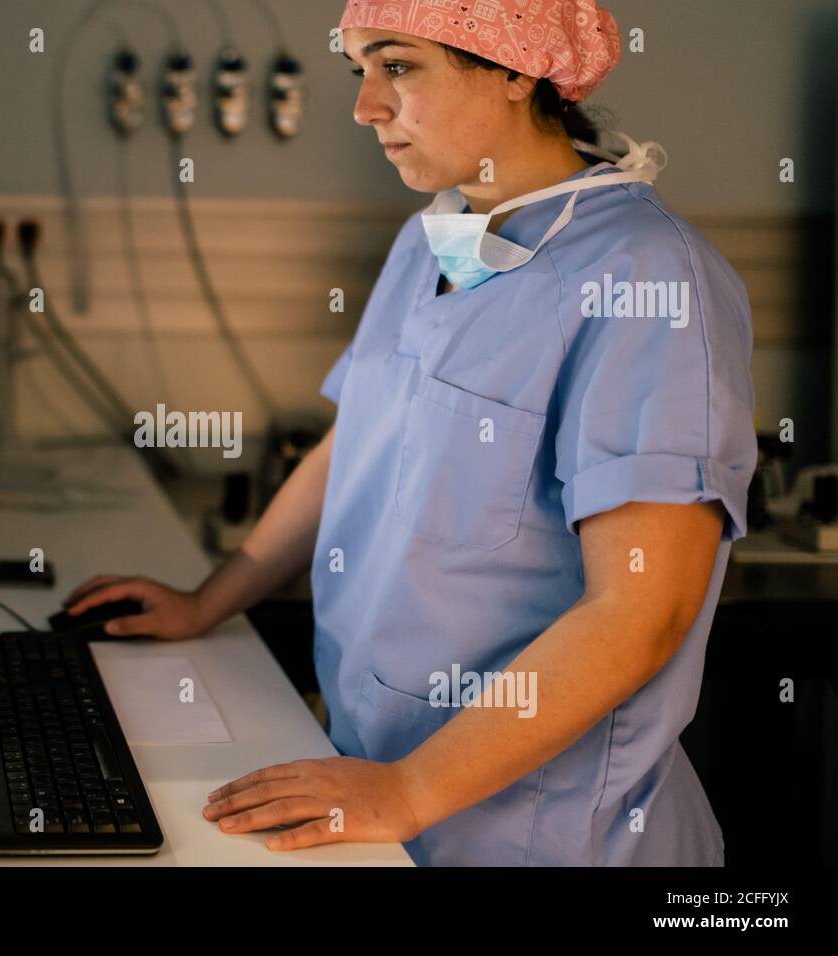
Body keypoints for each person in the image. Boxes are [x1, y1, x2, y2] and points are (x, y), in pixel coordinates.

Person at [63, 0, 756, 865]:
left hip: (549, 834)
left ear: (515, 69)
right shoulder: (438, 238)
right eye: (358, 70)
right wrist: (212, 598)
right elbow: (353, 443)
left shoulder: (649, 282)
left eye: (397, 66)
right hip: (385, 800)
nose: (364, 107)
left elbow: (640, 611)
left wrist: (413, 790)